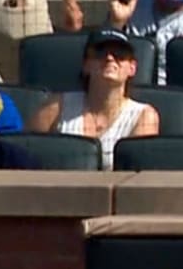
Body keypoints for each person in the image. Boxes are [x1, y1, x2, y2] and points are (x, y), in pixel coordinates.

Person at [27, 29, 160, 170]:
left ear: (132, 68)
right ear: (86, 65)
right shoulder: (56, 106)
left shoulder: (144, 116)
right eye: (100, 53)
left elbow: (135, 173)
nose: (109, 58)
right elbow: (26, 152)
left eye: (119, 55)